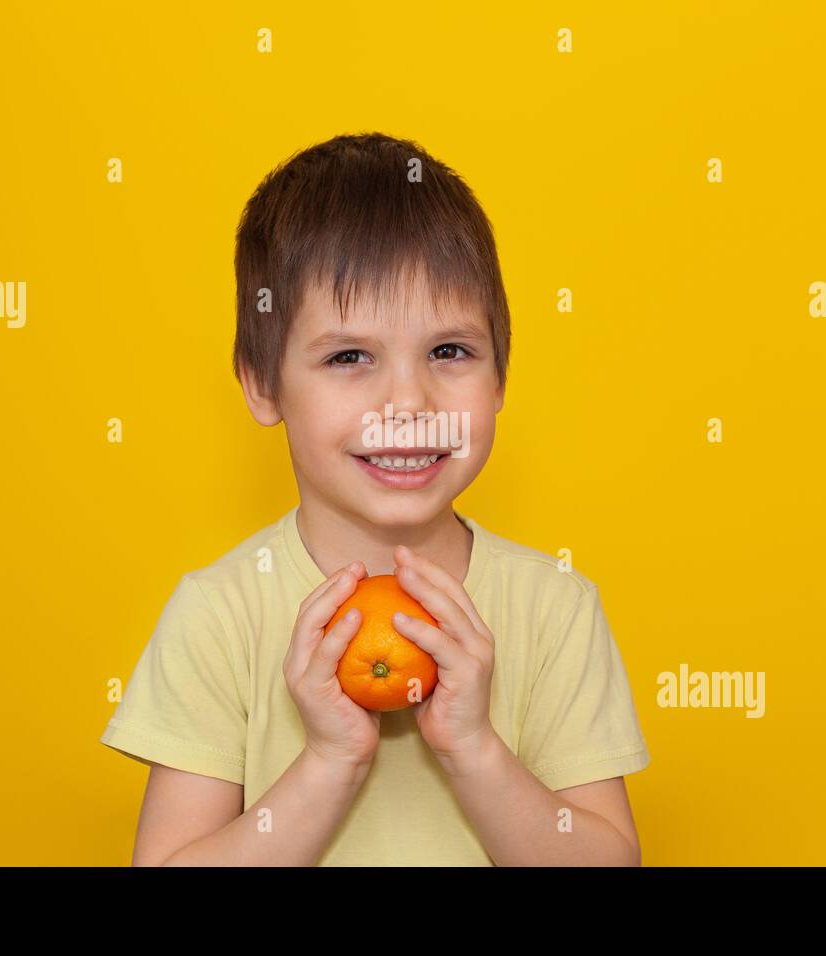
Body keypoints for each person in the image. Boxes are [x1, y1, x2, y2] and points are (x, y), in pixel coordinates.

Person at [100, 132, 651, 866]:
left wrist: (474, 750)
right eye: (349, 357)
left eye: (449, 352)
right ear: (264, 386)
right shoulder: (218, 616)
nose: (407, 401)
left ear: (500, 379)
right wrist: (328, 763)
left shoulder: (555, 609)